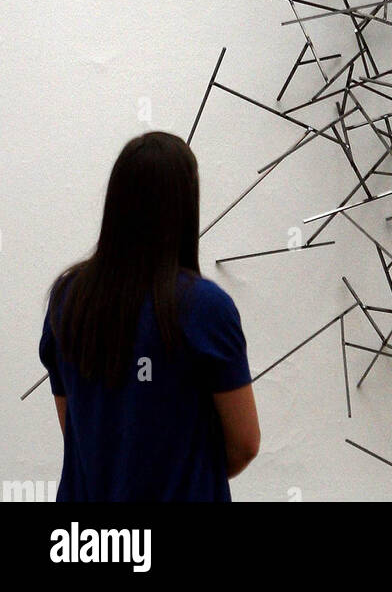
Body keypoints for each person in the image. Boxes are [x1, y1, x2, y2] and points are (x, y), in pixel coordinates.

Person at [38, 130, 260, 501]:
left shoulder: (67, 299)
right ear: (185, 208)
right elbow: (245, 444)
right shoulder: (205, 307)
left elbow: (76, 428)